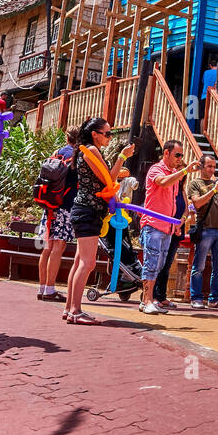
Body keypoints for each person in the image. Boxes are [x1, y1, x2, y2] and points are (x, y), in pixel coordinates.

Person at [64, 118, 134, 324]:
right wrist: (122, 156)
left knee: (79, 262)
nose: (110, 138)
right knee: (87, 263)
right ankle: (75, 311)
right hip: (88, 211)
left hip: (85, 209)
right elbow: (109, 179)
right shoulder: (92, 151)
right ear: (95, 134)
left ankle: (69, 308)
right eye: (107, 134)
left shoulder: (85, 150)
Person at [140, 140, 196, 315]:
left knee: (159, 265)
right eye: (177, 155)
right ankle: (147, 300)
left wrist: (178, 222)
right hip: (153, 225)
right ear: (166, 153)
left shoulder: (173, 173)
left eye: (181, 155)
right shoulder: (156, 169)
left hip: (167, 227)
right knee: (151, 262)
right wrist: (184, 171)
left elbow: (176, 202)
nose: (180, 159)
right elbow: (162, 183)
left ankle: (149, 300)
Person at [185, 154, 218, 310]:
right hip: (205, 228)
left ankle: (215, 299)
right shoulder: (195, 183)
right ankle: (196, 298)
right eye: (209, 166)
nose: (212, 169)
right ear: (201, 167)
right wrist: (213, 190)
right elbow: (198, 203)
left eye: (214, 167)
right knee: (198, 266)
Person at [37, 127, 81, 302]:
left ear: (67, 137)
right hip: (65, 205)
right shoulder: (76, 156)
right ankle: (50, 289)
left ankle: (42, 288)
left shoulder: (57, 152)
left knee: (47, 248)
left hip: (50, 204)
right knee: (58, 247)